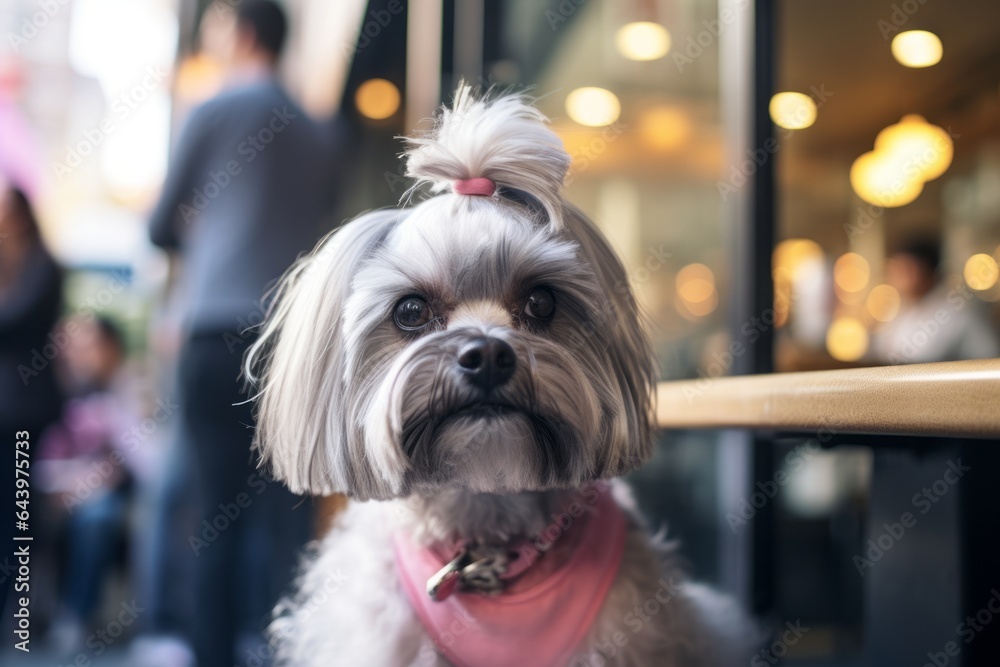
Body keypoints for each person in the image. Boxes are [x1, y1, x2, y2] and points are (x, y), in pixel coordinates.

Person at [147, 2, 339, 664]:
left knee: (214, 511)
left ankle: (209, 654)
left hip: (214, 331)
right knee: (288, 517)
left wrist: (205, 225)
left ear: (247, 34)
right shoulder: (322, 132)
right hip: (291, 337)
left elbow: (158, 226)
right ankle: (291, 650)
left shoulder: (212, 110)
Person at [36, 315, 136, 652]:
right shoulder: (45, 393)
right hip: (50, 500)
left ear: (111, 348)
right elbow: (37, 465)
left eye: (88, 344)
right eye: (70, 345)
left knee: (99, 514)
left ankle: (75, 617)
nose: (77, 353)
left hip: (106, 505)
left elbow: (144, 463)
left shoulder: (125, 393)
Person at [0, 183, 63, 616]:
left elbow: (14, 322)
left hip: (23, 411)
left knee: (18, 508)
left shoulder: (43, 267)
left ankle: (19, 607)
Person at [871, 239, 999, 364]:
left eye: (905, 270)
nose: (897, 278)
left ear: (926, 271)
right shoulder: (899, 314)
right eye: (895, 270)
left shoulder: (957, 312)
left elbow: (989, 360)